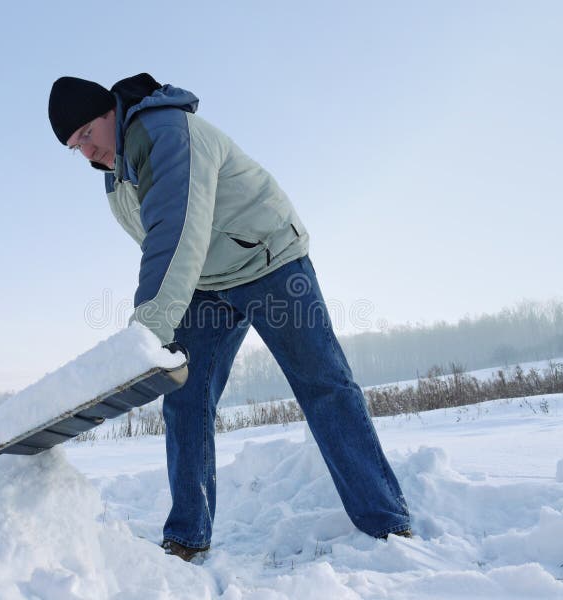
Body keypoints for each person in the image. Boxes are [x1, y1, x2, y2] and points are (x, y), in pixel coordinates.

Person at [48, 73, 411, 561]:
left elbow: (174, 234)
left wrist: (147, 334)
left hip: (269, 259)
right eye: (75, 147)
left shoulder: (163, 132)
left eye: (87, 133)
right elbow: (163, 245)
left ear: (111, 111)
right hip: (208, 284)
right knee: (185, 397)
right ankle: (187, 536)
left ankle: (386, 521)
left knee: (323, 384)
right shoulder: (118, 178)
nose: (86, 151)